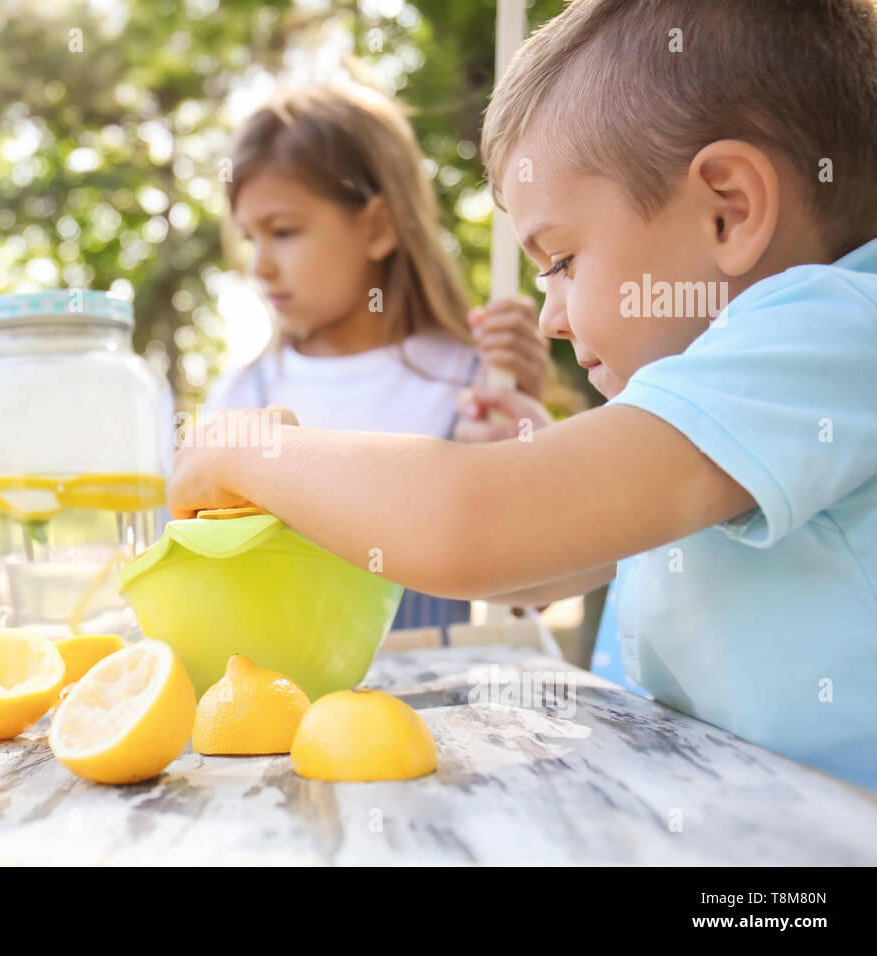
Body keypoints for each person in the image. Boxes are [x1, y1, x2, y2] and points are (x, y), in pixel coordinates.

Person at [168, 0, 877, 790]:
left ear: (729, 210)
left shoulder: (833, 333)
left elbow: (474, 524)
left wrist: (247, 450)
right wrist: (546, 464)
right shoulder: (747, 406)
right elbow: (538, 564)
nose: (551, 316)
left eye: (562, 260)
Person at [208, 82, 549, 637]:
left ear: (378, 226)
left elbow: (528, 599)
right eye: (250, 238)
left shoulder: (473, 379)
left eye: (284, 232)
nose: (260, 266)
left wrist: (527, 441)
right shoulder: (240, 400)